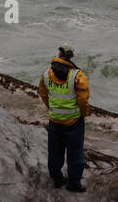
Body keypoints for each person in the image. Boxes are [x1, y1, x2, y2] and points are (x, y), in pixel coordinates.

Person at [38, 45, 90, 192]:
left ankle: (57, 179)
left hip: (55, 121)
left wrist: (53, 109)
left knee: (54, 151)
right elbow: (83, 99)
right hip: (74, 122)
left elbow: (43, 93)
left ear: (59, 54)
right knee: (75, 153)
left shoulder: (47, 74)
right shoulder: (77, 75)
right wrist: (84, 114)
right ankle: (73, 184)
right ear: (71, 56)